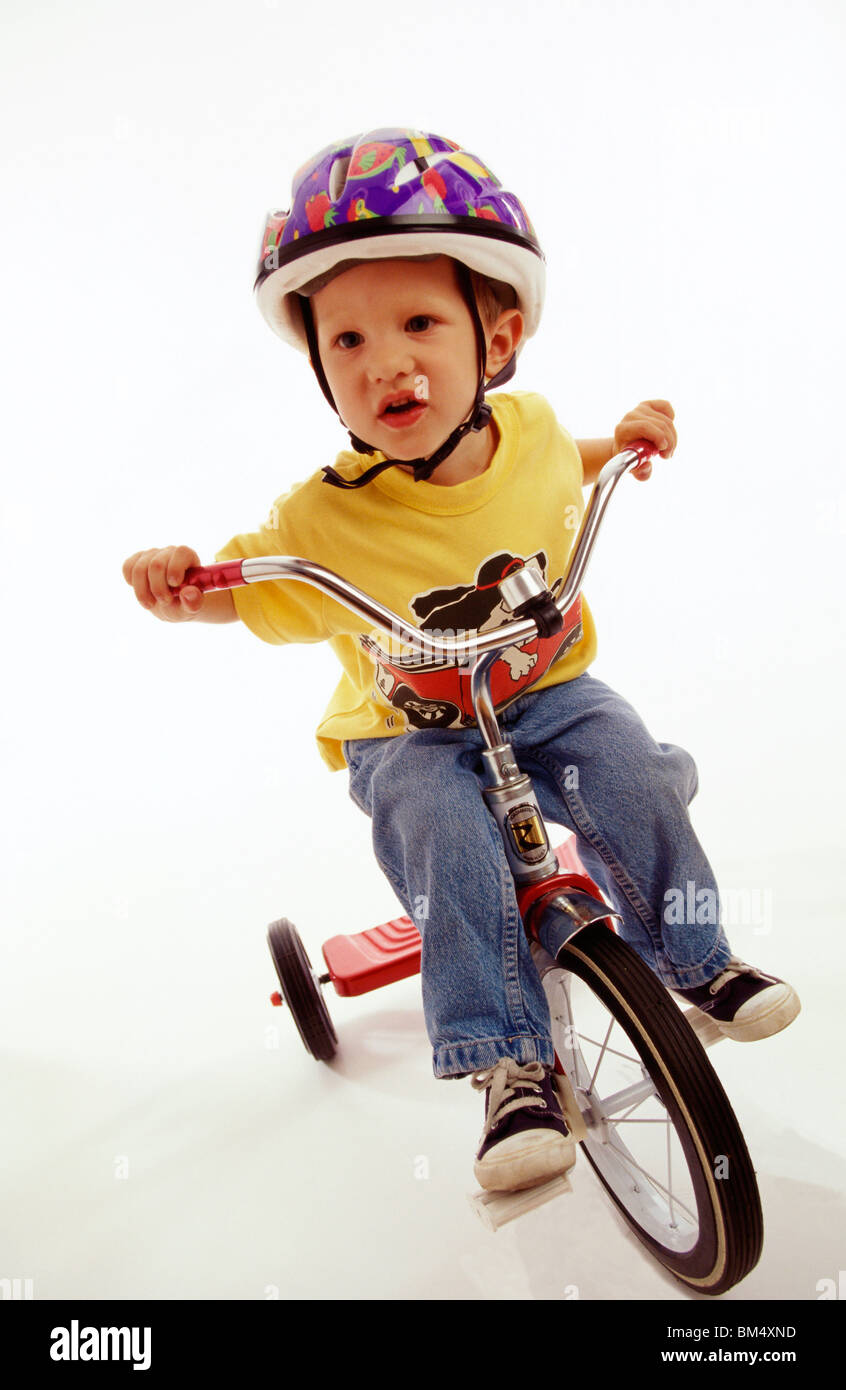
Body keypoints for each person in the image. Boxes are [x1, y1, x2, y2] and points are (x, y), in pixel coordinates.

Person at [123, 127, 799, 1195]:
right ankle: (506, 1061)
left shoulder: (528, 431)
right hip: (410, 731)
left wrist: (628, 438)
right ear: (320, 373)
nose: (383, 358)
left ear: (498, 340)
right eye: (343, 342)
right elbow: (247, 578)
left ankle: (698, 961)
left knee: (626, 765)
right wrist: (184, 579)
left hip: (545, 691)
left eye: (418, 323)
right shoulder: (325, 516)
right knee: (447, 834)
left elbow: (564, 461)